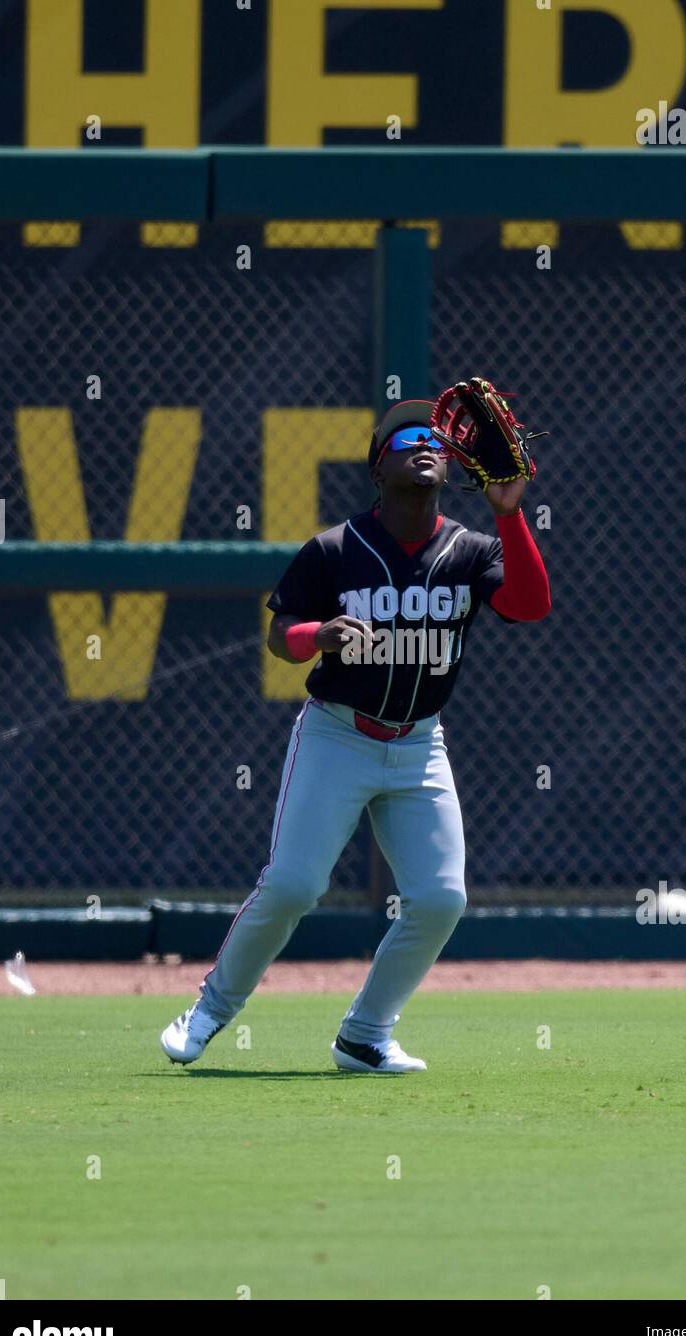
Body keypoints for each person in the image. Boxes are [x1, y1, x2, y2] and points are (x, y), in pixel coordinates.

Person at [161, 398, 551, 1072]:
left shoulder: (468, 549)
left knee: (440, 899)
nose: (424, 445)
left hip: (419, 743)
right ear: (379, 468)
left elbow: (529, 605)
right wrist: (321, 634)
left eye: (435, 439)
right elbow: (281, 636)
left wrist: (510, 513)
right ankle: (210, 1010)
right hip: (338, 736)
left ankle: (365, 1034)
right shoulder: (336, 549)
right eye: (406, 439)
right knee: (291, 885)